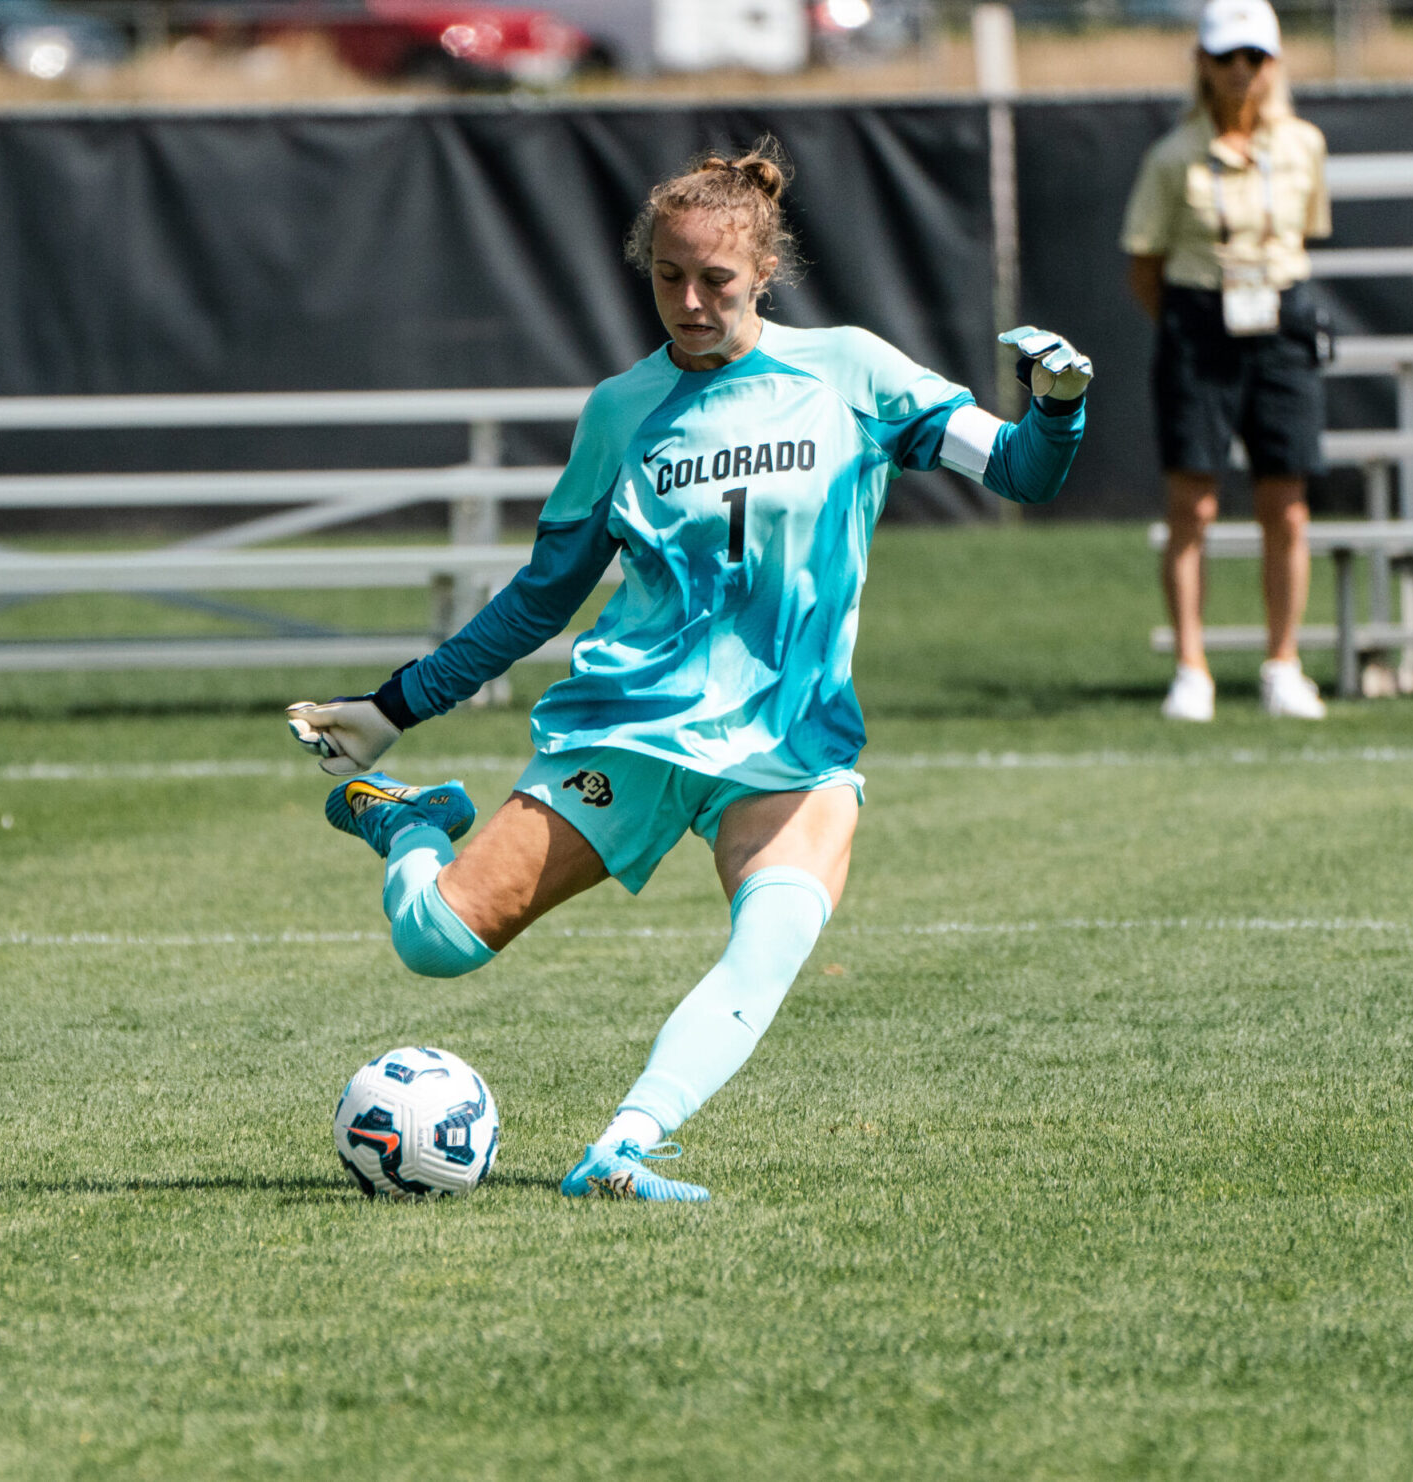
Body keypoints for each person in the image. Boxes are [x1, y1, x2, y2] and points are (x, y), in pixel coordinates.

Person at [287, 140, 1090, 1201]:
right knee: (435, 944)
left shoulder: (853, 373)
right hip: (630, 729)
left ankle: (622, 1146)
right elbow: (541, 596)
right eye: (667, 276)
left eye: (714, 278)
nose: (689, 301)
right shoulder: (620, 411)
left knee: (772, 942)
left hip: (791, 744)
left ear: (764, 271)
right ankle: (413, 821)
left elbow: (1024, 474)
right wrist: (393, 707)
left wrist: (1059, 404)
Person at [1121, 0, 1331, 722]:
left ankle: (1282, 663)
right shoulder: (1172, 155)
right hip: (1199, 321)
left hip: (1281, 319)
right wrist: (1193, 324)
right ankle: (1192, 668)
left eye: (1255, 58)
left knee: (1288, 505)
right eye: (1226, 58)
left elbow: (1307, 230)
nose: (1241, 72)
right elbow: (1144, 265)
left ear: (1274, 64)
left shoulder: (1304, 144)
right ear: (1203, 65)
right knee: (1194, 504)